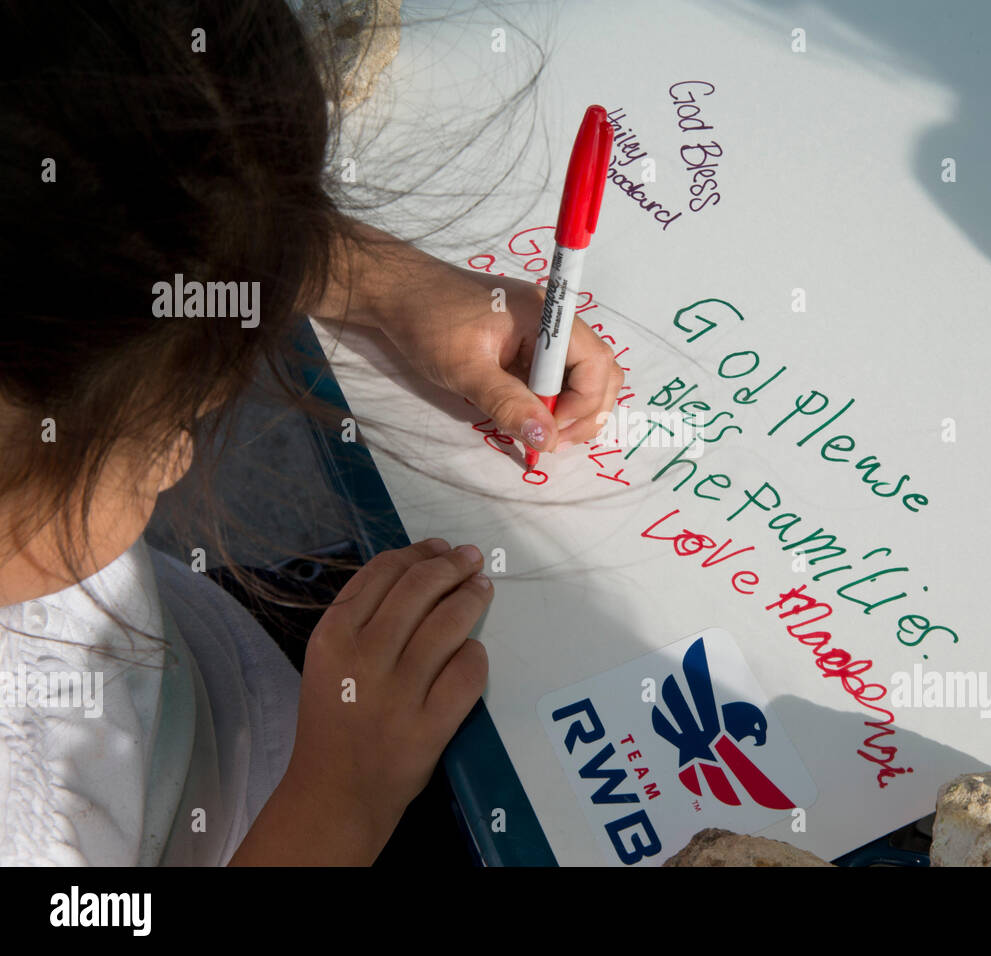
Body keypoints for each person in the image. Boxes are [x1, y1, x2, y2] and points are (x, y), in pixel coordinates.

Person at [0, 0, 621, 864]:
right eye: (169, 425)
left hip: (244, 693)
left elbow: (99, 213)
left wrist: (383, 284)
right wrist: (345, 797)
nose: (181, 457)